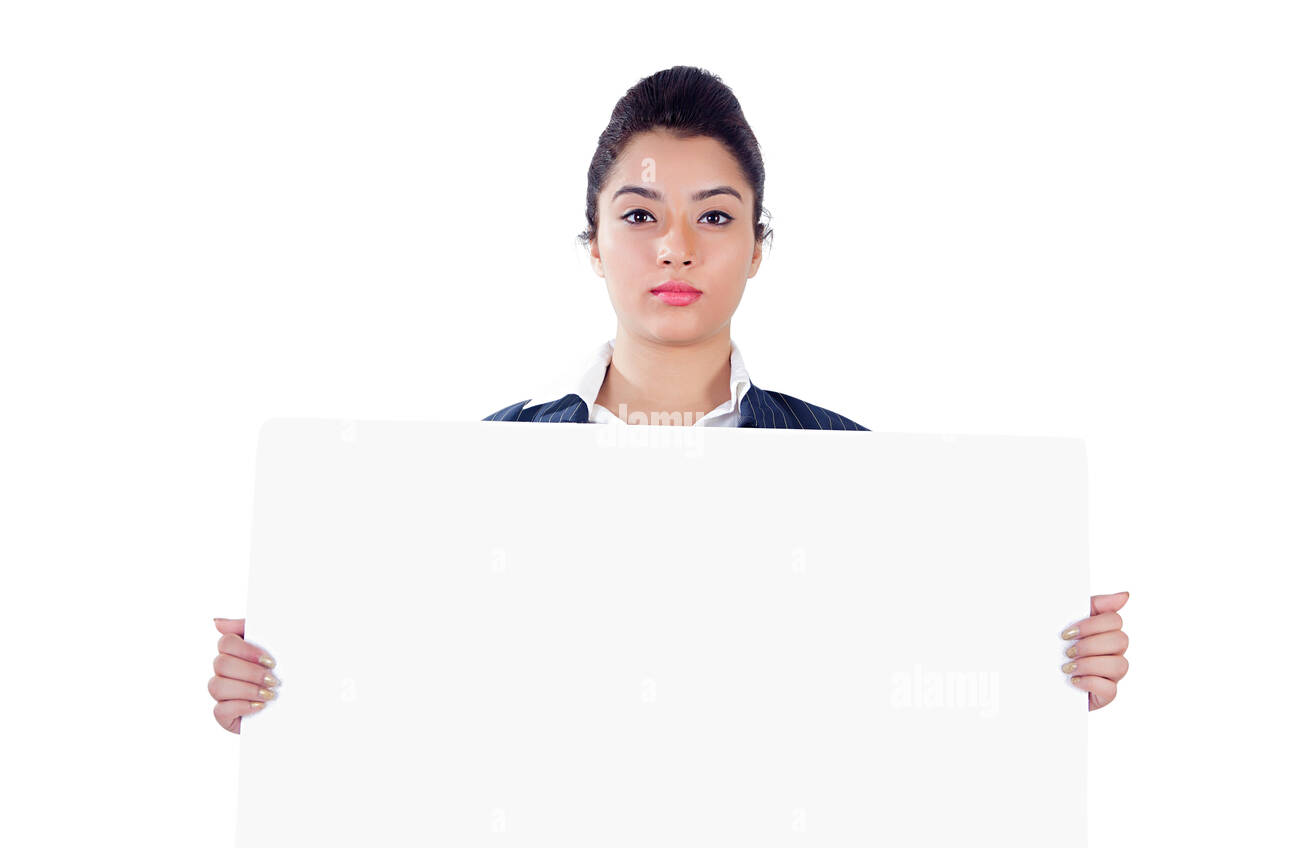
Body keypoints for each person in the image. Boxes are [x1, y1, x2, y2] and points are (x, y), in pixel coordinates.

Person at [210, 66, 1130, 733]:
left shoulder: (858, 473)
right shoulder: (477, 472)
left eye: (716, 216)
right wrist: (281, 679)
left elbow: (918, 691)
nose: (677, 247)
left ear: (759, 247)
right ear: (594, 242)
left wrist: (1047, 668)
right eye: (641, 214)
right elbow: (412, 690)